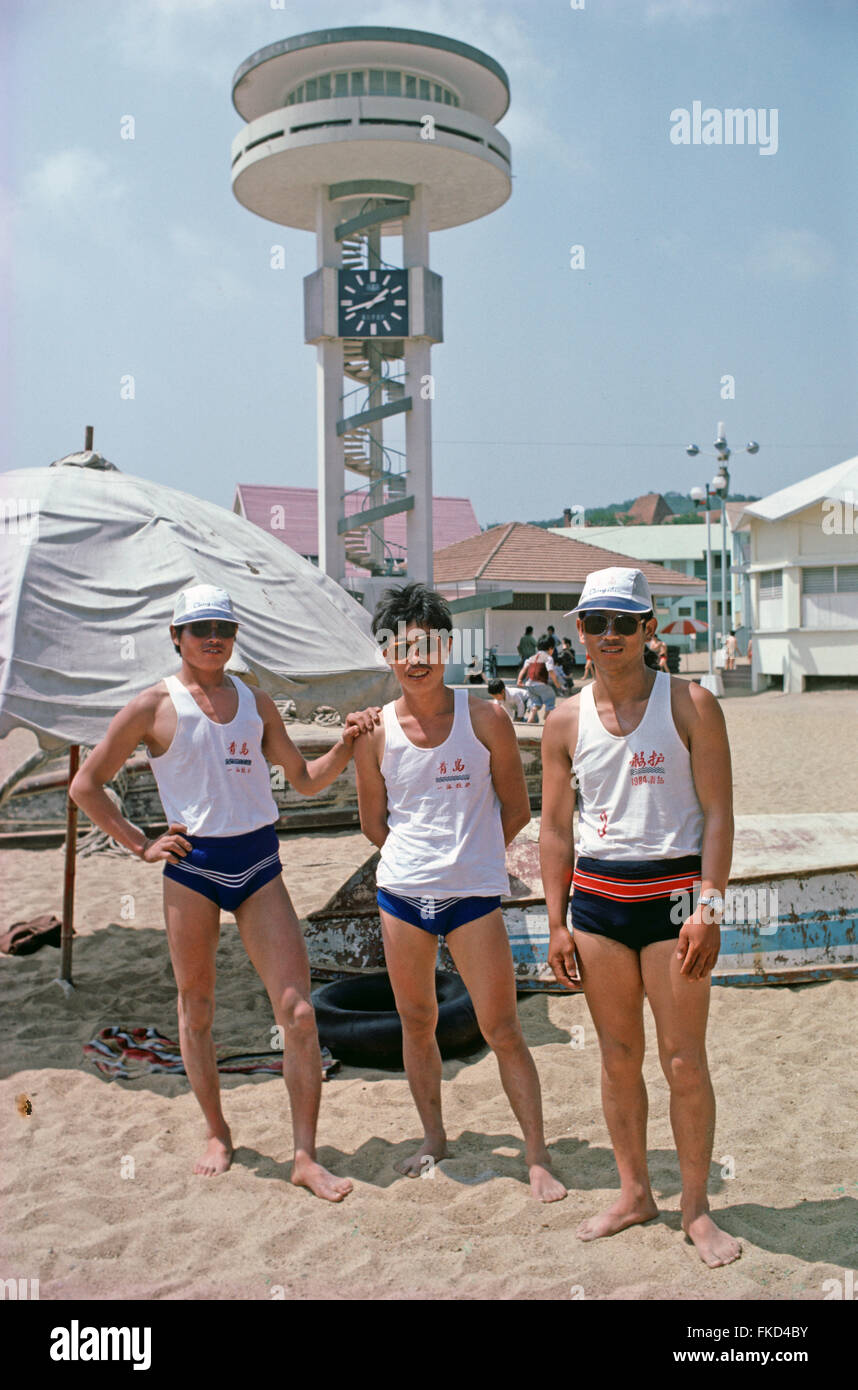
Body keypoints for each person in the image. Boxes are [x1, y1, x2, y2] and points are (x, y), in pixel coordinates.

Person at [70, 584, 375, 1200]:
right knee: (197, 1008)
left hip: (258, 863)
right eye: (202, 628)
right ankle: (216, 1131)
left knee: (299, 1012)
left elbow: (306, 780)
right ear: (177, 636)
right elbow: (86, 785)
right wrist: (139, 843)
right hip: (193, 870)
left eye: (225, 629)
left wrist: (345, 744)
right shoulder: (153, 704)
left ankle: (304, 1156)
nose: (215, 639)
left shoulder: (256, 702)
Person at [539, 566, 740, 1267]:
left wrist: (710, 905)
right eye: (598, 622)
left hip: (676, 900)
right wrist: (557, 921)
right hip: (598, 907)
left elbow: (718, 813)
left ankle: (696, 1209)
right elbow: (556, 831)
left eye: (625, 621)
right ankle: (634, 1193)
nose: (611, 634)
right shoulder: (564, 718)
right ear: (581, 632)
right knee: (619, 1059)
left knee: (684, 1061)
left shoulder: (690, 704)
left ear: (650, 628)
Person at [351, 583, 566, 1203]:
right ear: (387, 655)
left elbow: (518, 806)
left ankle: (537, 1155)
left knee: (502, 1027)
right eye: (399, 648)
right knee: (416, 1023)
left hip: (472, 898)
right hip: (401, 897)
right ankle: (434, 1138)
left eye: (425, 646)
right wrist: (419, 860)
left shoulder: (484, 717)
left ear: (445, 646)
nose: (413, 659)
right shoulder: (375, 732)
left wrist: (469, 859)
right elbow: (373, 824)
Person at [517, 638, 563, 724]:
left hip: (529, 685)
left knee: (535, 704)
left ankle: (530, 720)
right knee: (550, 698)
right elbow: (551, 671)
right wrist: (557, 683)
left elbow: (523, 669)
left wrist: (519, 680)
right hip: (540, 683)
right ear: (550, 648)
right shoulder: (548, 658)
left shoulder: (531, 658)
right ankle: (547, 715)